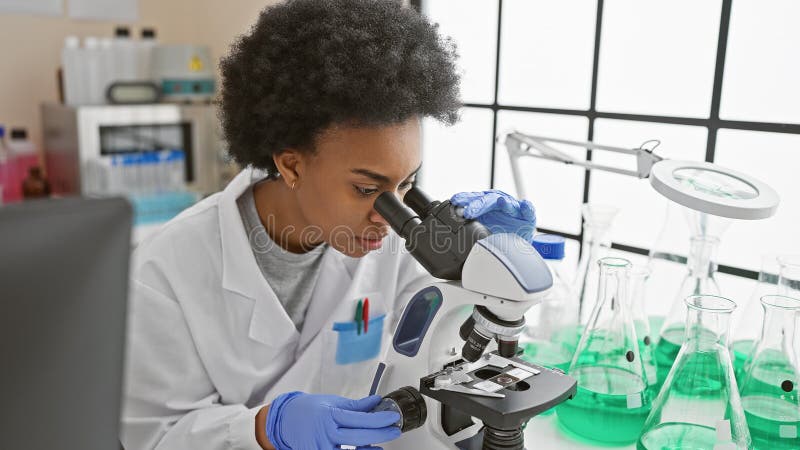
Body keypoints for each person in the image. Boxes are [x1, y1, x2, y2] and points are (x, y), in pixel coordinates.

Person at [120, 1, 536, 449]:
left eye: (407, 184)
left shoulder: (395, 248)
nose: (389, 216)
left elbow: (454, 353)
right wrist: (262, 429)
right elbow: (156, 436)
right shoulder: (161, 274)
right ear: (292, 164)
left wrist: (489, 271)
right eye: (365, 189)